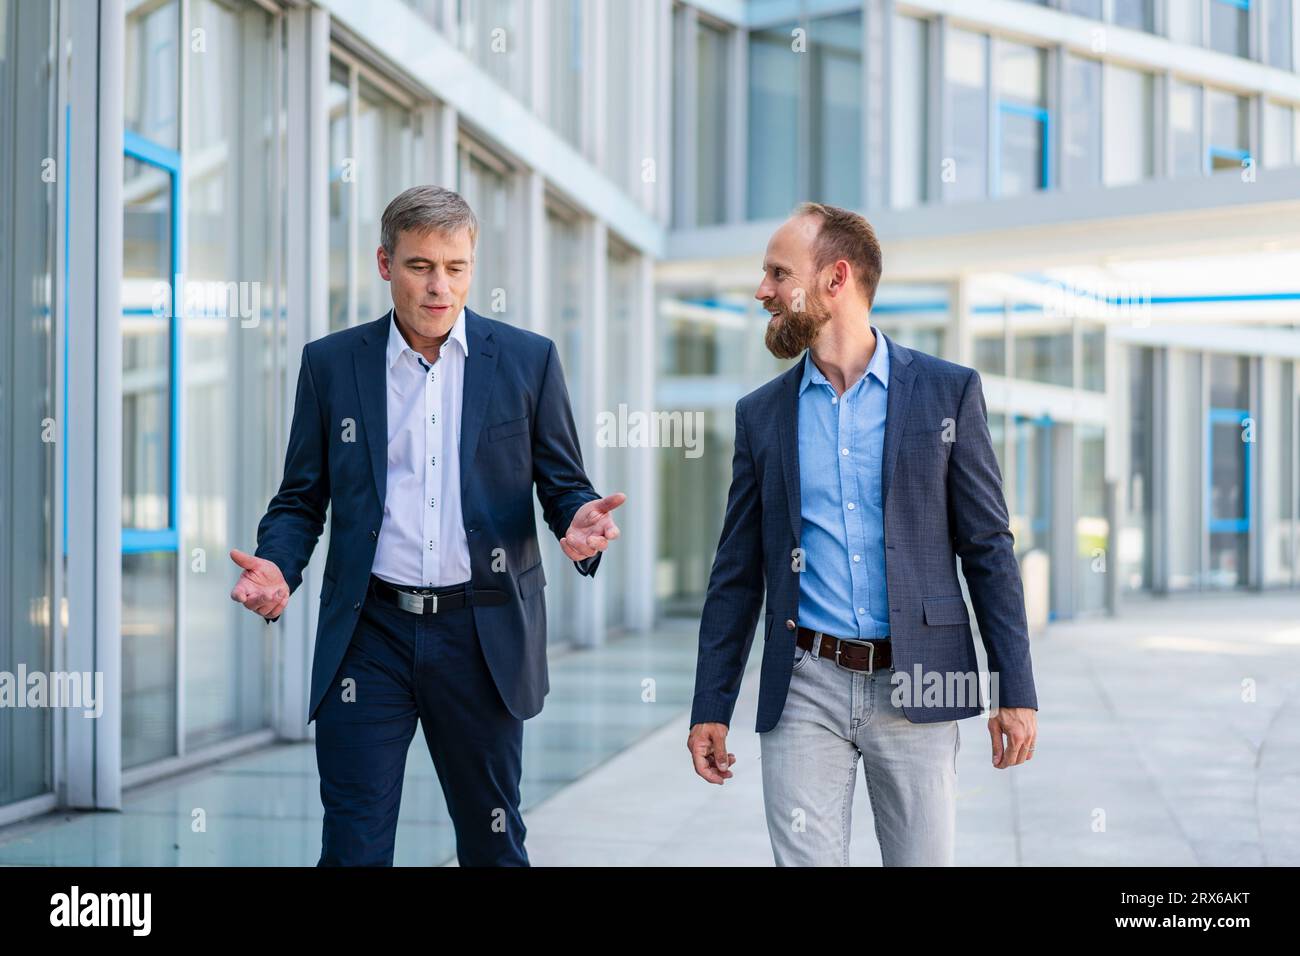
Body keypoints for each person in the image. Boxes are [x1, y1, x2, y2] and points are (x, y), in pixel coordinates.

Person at [230, 184, 624, 866]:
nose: (440, 287)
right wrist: (279, 567)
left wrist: (580, 524)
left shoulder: (527, 360)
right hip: (369, 635)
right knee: (353, 846)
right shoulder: (333, 365)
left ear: (473, 266)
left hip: (482, 635)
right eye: (420, 266)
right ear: (385, 264)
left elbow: (564, 487)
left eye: (456, 267)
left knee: (493, 843)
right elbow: (301, 498)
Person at [687, 202, 1038, 866]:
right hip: (803, 687)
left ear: (835, 278)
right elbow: (736, 572)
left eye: (777, 273)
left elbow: (988, 546)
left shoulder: (946, 393)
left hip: (920, 685)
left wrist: (1014, 688)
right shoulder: (762, 417)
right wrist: (711, 702)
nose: (763, 290)